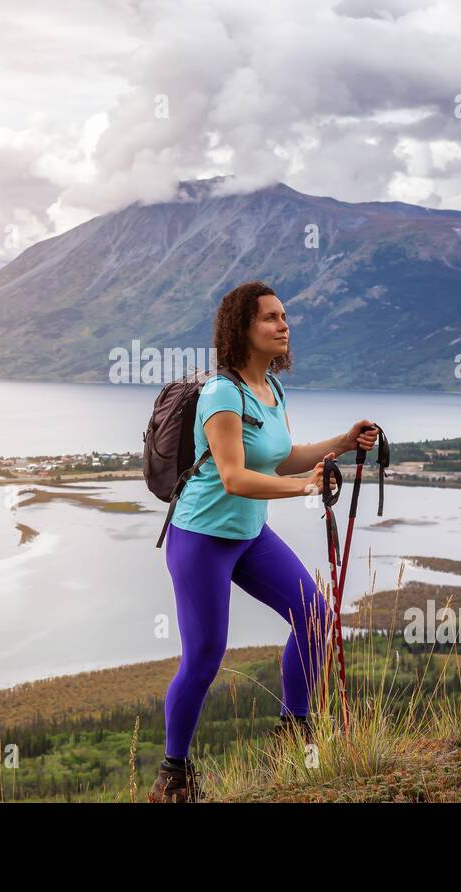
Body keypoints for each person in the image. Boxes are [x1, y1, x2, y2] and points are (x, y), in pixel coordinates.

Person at [148, 280, 380, 803]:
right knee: (205, 657)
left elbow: (282, 456)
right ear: (243, 329)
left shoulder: (272, 390)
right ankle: (174, 775)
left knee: (315, 616)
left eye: (284, 317)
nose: (284, 325)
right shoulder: (221, 394)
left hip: (248, 534)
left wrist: (342, 443)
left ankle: (292, 732)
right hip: (202, 537)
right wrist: (303, 486)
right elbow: (233, 477)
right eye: (271, 318)